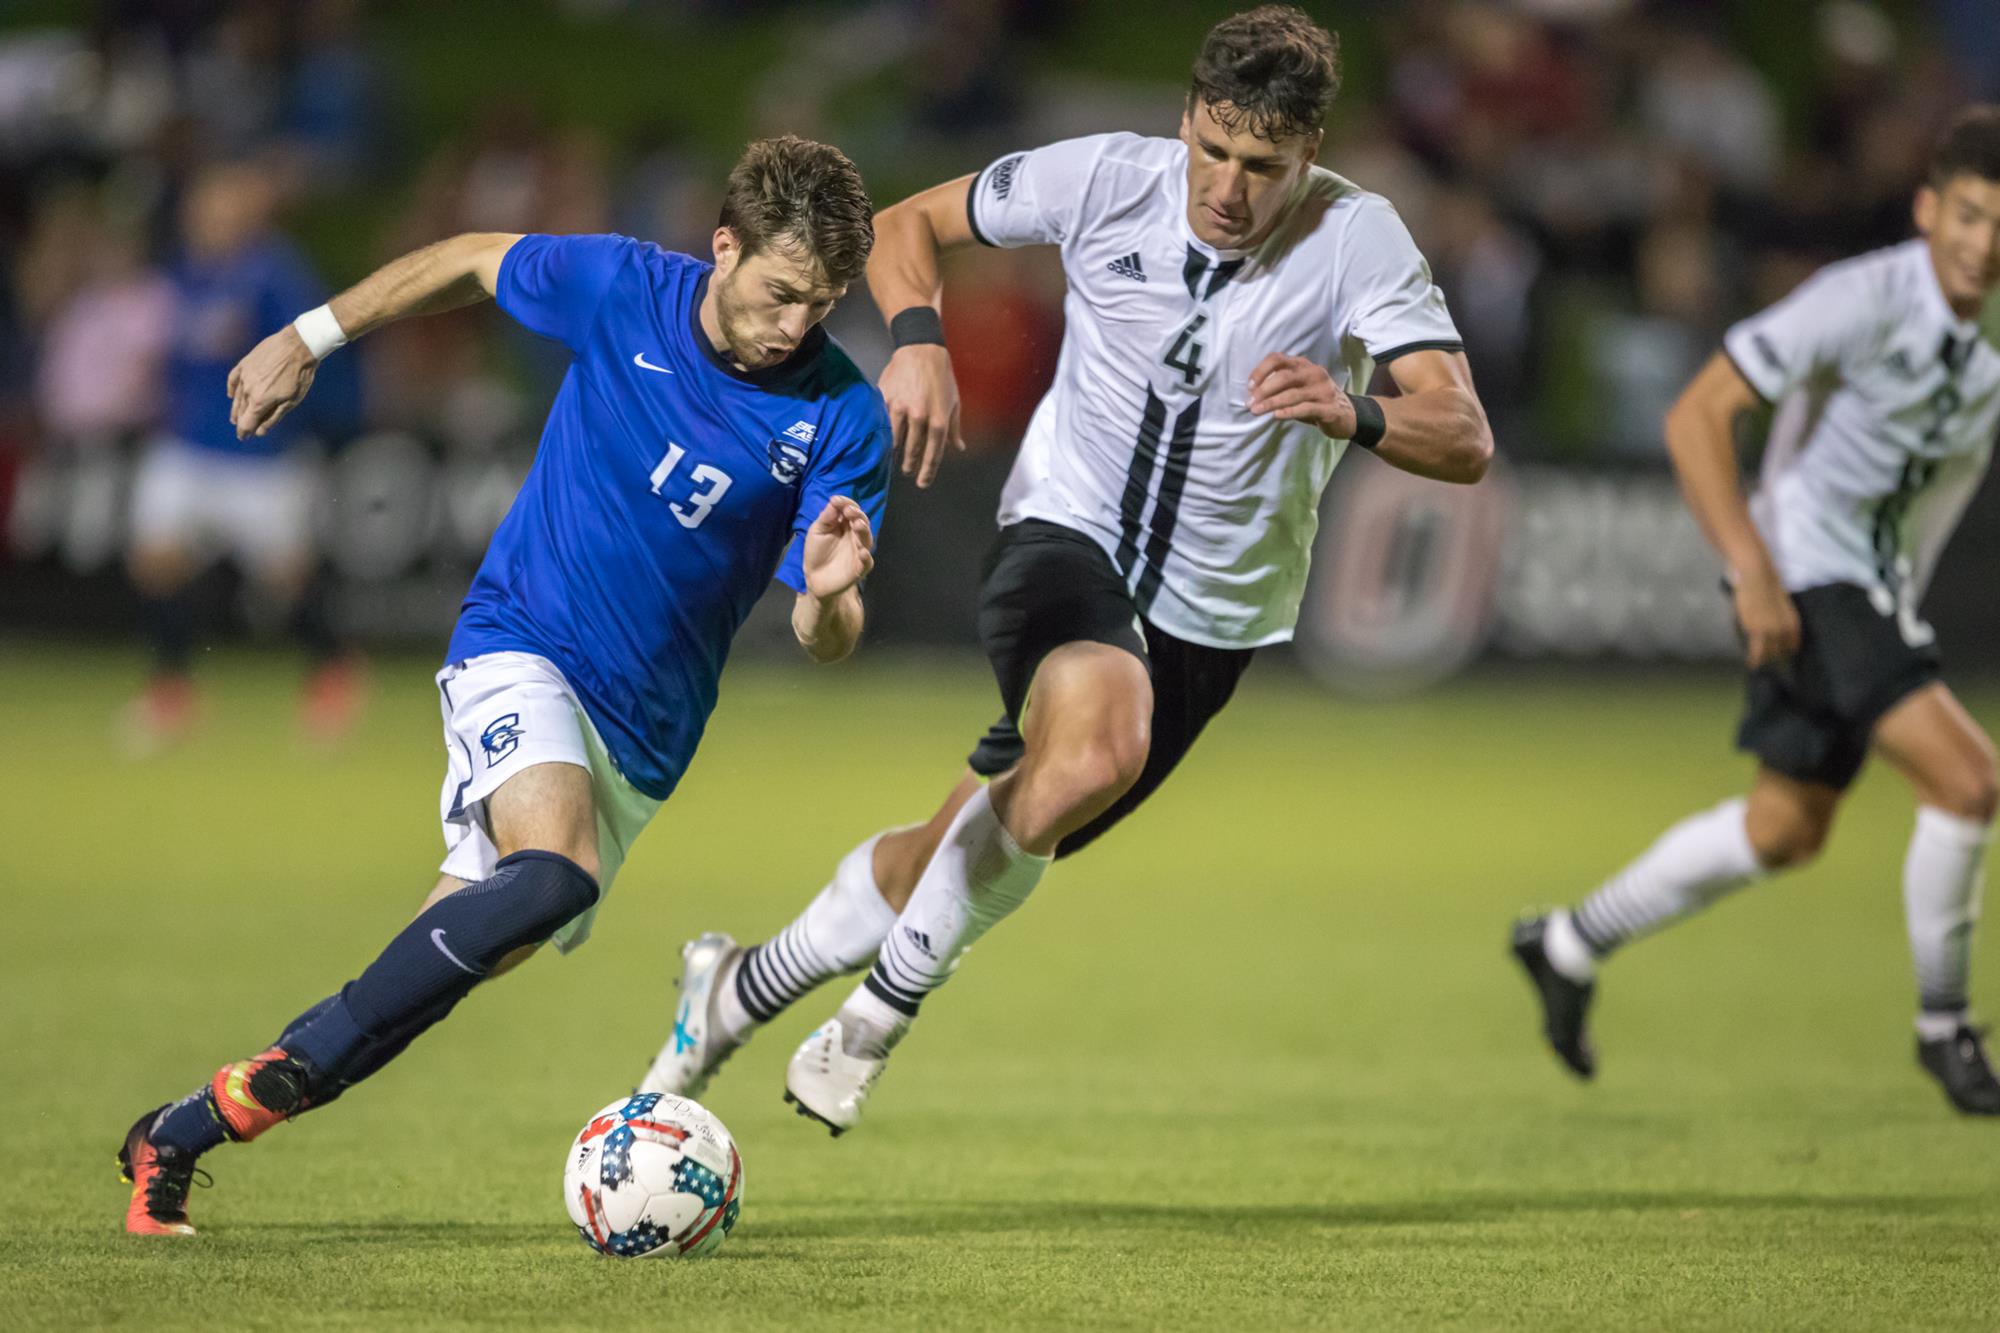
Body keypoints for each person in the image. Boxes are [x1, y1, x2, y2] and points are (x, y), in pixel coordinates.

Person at [639, 5, 1494, 1134]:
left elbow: (1461, 434)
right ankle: (876, 1017)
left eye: (1264, 168)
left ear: (1311, 155)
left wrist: (1354, 409)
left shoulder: (1359, 239)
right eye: (1214, 151)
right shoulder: (1101, 179)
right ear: (1186, 118)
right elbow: (905, 225)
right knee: (1098, 743)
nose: (1229, 190)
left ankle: (736, 987)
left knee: (972, 834)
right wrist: (919, 344)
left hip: (1211, 614)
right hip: (1064, 530)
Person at [117, 135, 890, 1236]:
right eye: (777, 293)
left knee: (448, 962)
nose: (791, 327)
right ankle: (216, 1111)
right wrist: (308, 335)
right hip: (520, 639)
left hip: (643, 736)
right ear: (723, 248)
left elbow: (829, 637)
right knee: (553, 869)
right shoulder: (624, 288)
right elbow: (476, 258)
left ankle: (189, 1126)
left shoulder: (840, 413)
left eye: (817, 305)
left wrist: (823, 595)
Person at [1512, 107, 2000, 1115]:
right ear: (1925, 211)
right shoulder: (1858, 300)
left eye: (1999, 224)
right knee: (1966, 780)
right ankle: (1943, 1027)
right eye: (1965, 215)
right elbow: (1695, 413)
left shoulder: (1986, 334)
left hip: (1870, 586)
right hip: (1810, 574)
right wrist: (1750, 570)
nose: (1980, 243)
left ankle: (1565, 942)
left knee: (1783, 828)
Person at [122, 160, 364, 750]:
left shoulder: (275, 274)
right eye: (200, 209)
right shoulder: (184, 275)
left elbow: (313, 353)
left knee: (285, 582)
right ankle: (172, 689)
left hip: (259, 453)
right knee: (155, 561)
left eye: (220, 209)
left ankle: (333, 672)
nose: (207, 220)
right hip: (186, 445)